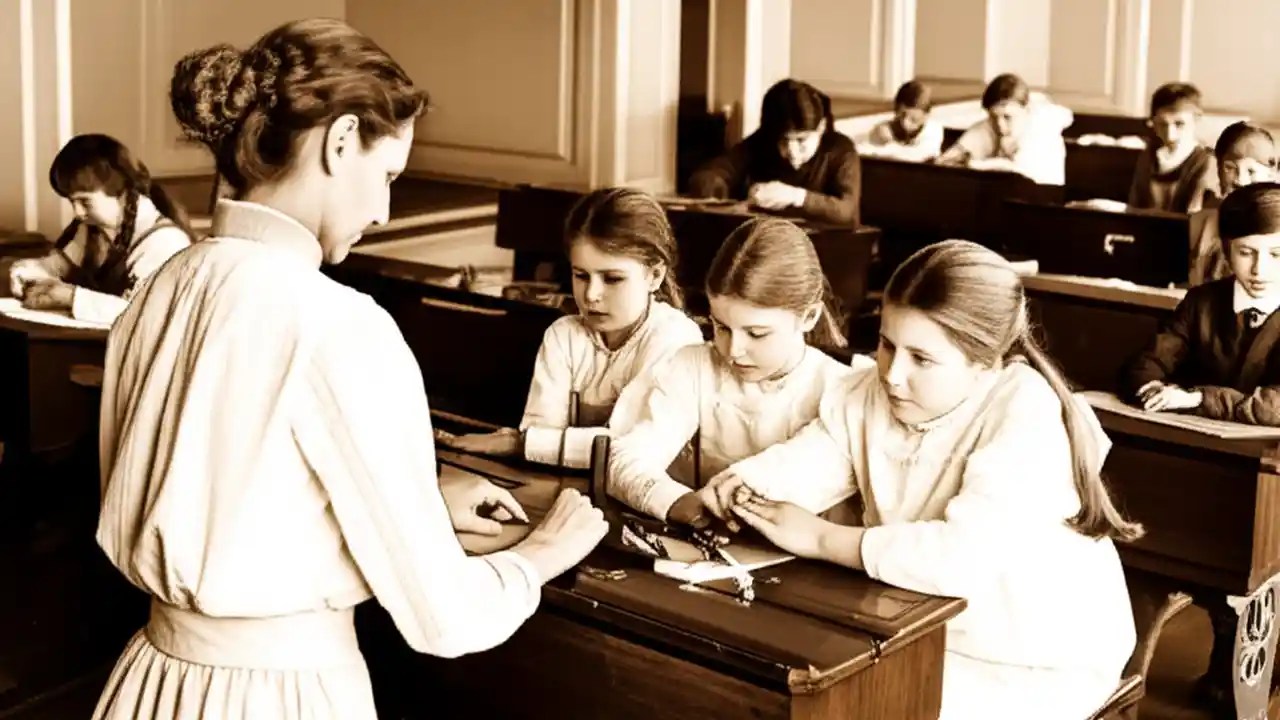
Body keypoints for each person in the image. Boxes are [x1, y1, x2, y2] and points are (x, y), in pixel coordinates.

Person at [90, 18, 607, 720]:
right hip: (278, 695)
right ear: (339, 142)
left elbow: (214, 481)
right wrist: (542, 553)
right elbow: (446, 618)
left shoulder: (161, 286)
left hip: (152, 682)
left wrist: (418, 495)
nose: (387, 209)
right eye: (388, 175)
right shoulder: (340, 323)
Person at [698, 240, 1139, 719]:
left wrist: (824, 538)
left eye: (921, 358)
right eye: (887, 344)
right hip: (917, 624)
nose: (892, 374)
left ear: (985, 360)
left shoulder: (1026, 411)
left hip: (1031, 653)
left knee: (869, 708)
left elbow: (959, 558)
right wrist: (746, 484)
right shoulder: (870, 392)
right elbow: (812, 458)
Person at [606, 216, 864, 527]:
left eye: (756, 334)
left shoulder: (843, 390)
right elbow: (625, 458)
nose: (733, 350)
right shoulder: (692, 367)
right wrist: (678, 501)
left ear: (808, 316)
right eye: (721, 327)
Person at [440, 187, 703, 468]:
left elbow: (631, 451)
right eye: (581, 275)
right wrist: (530, 444)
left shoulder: (677, 339)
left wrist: (522, 443)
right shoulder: (563, 335)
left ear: (654, 276)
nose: (591, 295)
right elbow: (538, 439)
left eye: (612, 279)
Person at [1123, 183, 1280, 424]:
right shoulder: (1202, 301)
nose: (1260, 269)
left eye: (1276, 254)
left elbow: (1275, 406)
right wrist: (1153, 390)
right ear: (1227, 253)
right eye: (1246, 253)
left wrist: (1199, 399)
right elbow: (1147, 362)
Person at [9, 134, 194, 323]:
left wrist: (70, 296)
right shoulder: (93, 228)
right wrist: (29, 270)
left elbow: (140, 313)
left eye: (84, 201)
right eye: (72, 201)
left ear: (120, 193)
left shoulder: (164, 241)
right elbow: (60, 266)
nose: (78, 212)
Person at [687, 79, 862, 225]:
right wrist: (718, 195)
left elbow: (847, 211)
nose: (792, 152)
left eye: (802, 140)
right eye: (784, 141)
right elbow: (716, 171)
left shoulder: (842, 151)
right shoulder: (764, 141)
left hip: (829, 250)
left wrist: (795, 196)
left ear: (821, 127)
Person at [935, 73, 1073, 185]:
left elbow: (1021, 173)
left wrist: (974, 164)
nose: (1000, 126)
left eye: (1007, 117)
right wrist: (952, 158)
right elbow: (950, 157)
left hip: (1041, 204)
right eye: (994, 117)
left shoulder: (1042, 129)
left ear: (1026, 109)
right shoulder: (992, 124)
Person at [1188, 122, 1277, 285]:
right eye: (1230, 168)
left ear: (1272, 174)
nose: (1240, 180)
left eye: (1251, 171)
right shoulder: (1202, 223)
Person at [1127, 82, 1218, 215]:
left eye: (1179, 124)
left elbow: (1192, 219)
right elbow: (1135, 209)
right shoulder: (1148, 157)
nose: (1170, 136)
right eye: (1162, 125)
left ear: (1197, 120)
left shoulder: (1206, 162)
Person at [857, 80, 944, 162]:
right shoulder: (885, 128)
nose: (905, 123)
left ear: (927, 115)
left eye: (913, 119)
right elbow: (860, 151)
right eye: (901, 116)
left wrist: (890, 143)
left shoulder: (933, 130)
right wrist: (875, 137)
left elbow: (915, 156)